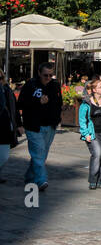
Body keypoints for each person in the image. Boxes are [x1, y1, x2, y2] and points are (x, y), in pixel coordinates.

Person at [18, 63, 62, 192]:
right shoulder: (30, 85)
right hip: (33, 125)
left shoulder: (55, 85)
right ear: (39, 73)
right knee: (38, 153)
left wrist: (58, 115)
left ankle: (29, 177)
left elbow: (58, 102)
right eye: (45, 75)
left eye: (50, 75)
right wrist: (38, 102)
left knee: (42, 154)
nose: (48, 78)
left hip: (50, 125)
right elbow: (21, 103)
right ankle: (41, 180)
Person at [0, 69, 22, 183]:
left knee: (4, 155)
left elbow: (14, 107)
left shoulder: (6, 90)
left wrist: (18, 124)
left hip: (4, 126)